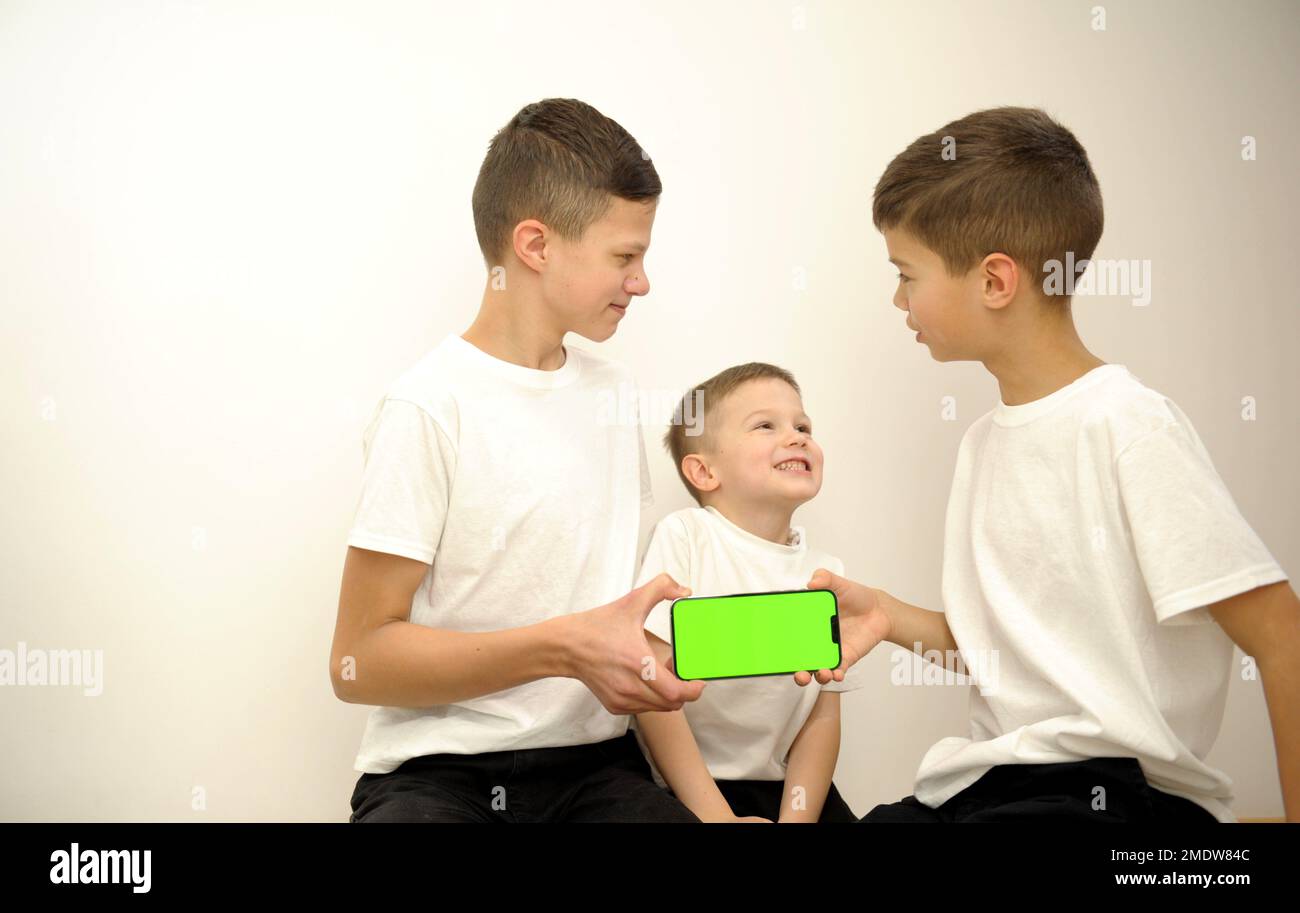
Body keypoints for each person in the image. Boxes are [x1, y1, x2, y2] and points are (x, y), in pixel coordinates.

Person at [801, 106, 1299, 823]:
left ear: (996, 281)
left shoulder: (1128, 425)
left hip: (1120, 798)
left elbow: (1282, 634)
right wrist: (887, 613)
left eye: (907, 274)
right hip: (990, 787)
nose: (897, 298)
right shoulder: (982, 443)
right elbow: (1026, 658)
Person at [331, 98, 705, 823]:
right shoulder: (428, 405)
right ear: (535, 245)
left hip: (595, 771)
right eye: (624, 256)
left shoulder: (613, 394)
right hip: (438, 778)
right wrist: (561, 649)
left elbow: (621, 645)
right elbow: (359, 660)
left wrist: (717, 816)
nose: (641, 281)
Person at [633, 363, 866, 823]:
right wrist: (716, 817)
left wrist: (796, 817)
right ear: (704, 471)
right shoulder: (686, 537)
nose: (798, 437)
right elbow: (650, 688)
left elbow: (822, 717)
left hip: (785, 791)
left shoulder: (826, 575)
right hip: (689, 787)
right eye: (766, 425)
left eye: (803, 426)